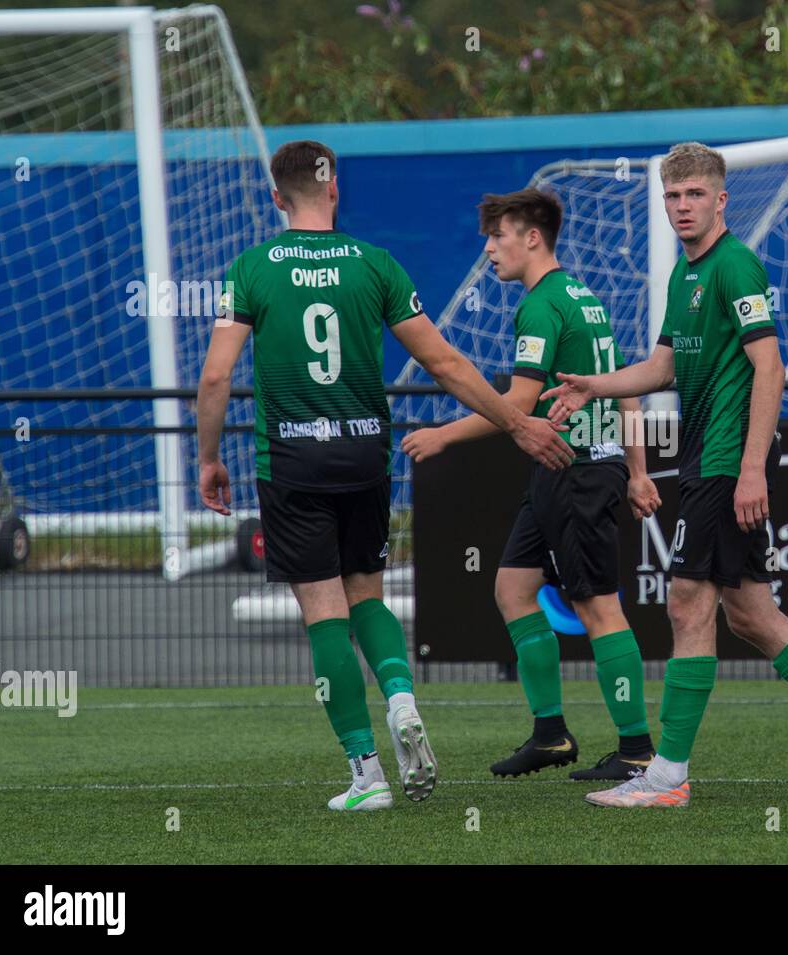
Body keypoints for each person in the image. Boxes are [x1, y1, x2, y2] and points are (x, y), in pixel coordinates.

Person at [196, 140, 573, 812]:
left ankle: (367, 772)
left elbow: (217, 374)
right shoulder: (376, 264)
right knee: (365, 592)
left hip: (292, 460)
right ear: (334, 190)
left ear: (278, 198)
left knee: (323, 614)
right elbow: (448, 364)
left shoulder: (251, 268)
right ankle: (401, 694)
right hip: (364, 456)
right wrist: (517, 425)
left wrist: (207, 458)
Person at [542, 142, 788, 808]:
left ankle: (667, 775)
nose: (682, 206)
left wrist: (748, 470)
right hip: (713, 458)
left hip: (727, 460)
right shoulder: (686, 276)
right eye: (672, 196)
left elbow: (770, 366)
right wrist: (593, 384)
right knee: (752, 614)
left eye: (693, 195)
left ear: (720, 199)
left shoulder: (735, 264)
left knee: (686, 601)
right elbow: (661, 367)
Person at [403, 188, 661, 782]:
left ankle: (637, 748)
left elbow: (521, 402)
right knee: (513, 589)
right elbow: (624, 390)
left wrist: (443, 435)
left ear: (532, 238)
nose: (490, 249)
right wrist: (638, 470)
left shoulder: (543, 304)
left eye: (498, 236)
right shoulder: (583, 297)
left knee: (597, 606)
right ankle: (550, 734)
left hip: (576, 472)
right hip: (568, 472)